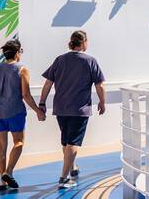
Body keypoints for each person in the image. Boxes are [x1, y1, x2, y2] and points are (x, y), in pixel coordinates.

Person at [39, 29, 106, 190]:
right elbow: (99, 85)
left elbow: (48, 83)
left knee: (66, 141)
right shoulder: (90, 61)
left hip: (61, 108)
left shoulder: (60, 60)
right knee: (73, 143)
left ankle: (73, 168)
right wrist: (102, 102)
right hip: (79, 109)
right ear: (83, 42)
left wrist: (42, 103)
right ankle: (63, 178)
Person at [0, 38, 44, 192]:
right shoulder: (22, 69)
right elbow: (26, 94)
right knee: (19, 142)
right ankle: (8, 172)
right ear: (17, 53)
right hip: (15, 111)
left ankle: (2, 182)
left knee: (1, 146)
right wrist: (38, 110)